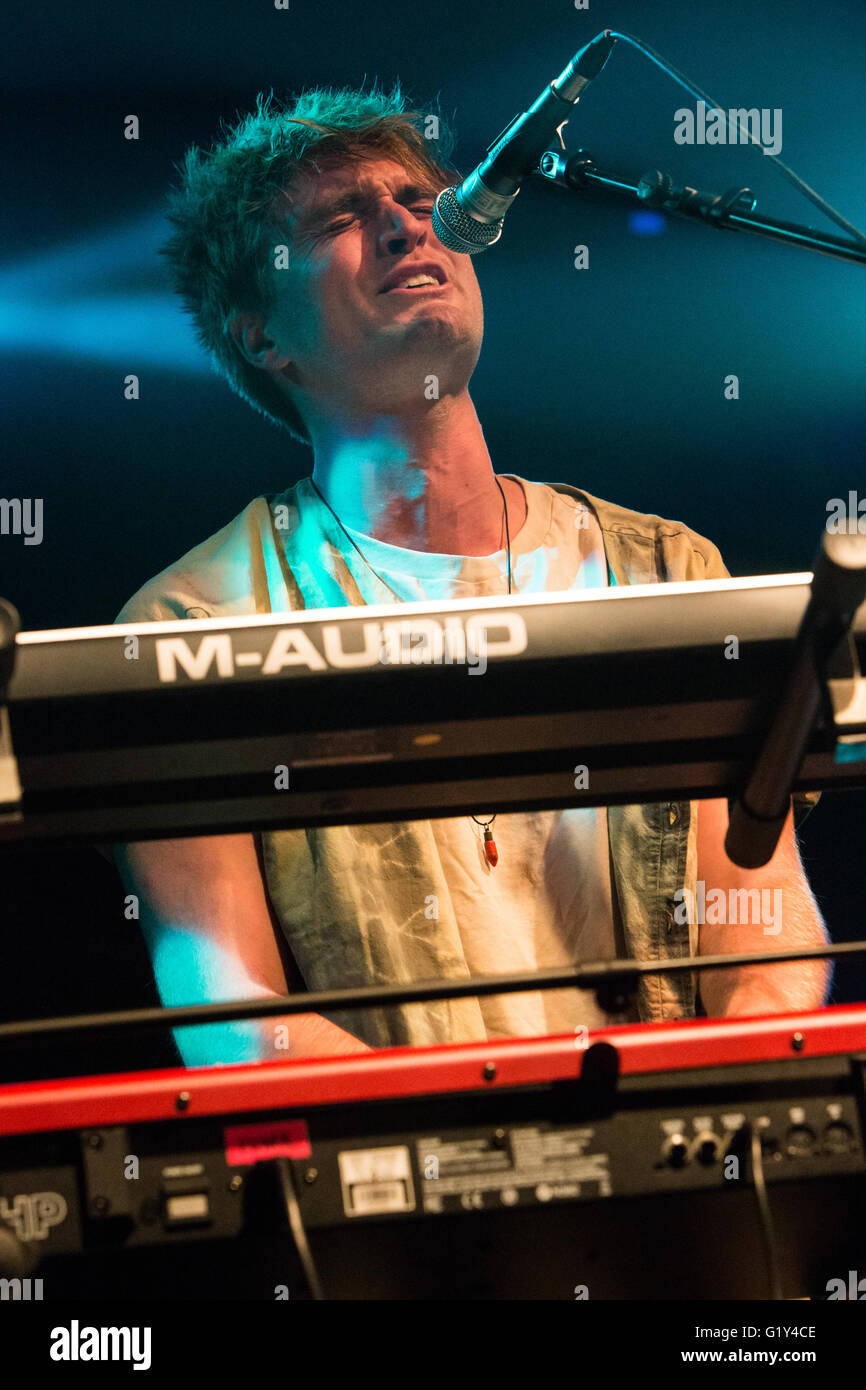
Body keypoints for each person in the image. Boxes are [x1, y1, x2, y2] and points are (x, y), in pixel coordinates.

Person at [113, 83, 830, 1067]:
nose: (407, 227)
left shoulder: (665, 571)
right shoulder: (190, 622)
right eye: (343, 217)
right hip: (393, 1206)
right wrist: (489, 1149)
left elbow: (763, 938)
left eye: (419, 201)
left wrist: (705, 1125)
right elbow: (232, 1015)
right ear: (259, 334)